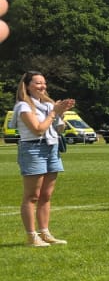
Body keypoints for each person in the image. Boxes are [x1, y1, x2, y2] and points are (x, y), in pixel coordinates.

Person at [14, 70, 75, 246]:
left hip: (52, 147)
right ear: (27, 86)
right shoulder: (23, 106)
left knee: (46, 195)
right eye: (38, 83)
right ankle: (32, 236)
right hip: (33, 149)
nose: (43, 86)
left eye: (44, 83)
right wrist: (54, 113)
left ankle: (45, 232)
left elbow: (59, 129)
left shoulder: (48, 105)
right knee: (32, 195)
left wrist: (61, 113)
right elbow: (38, 129)